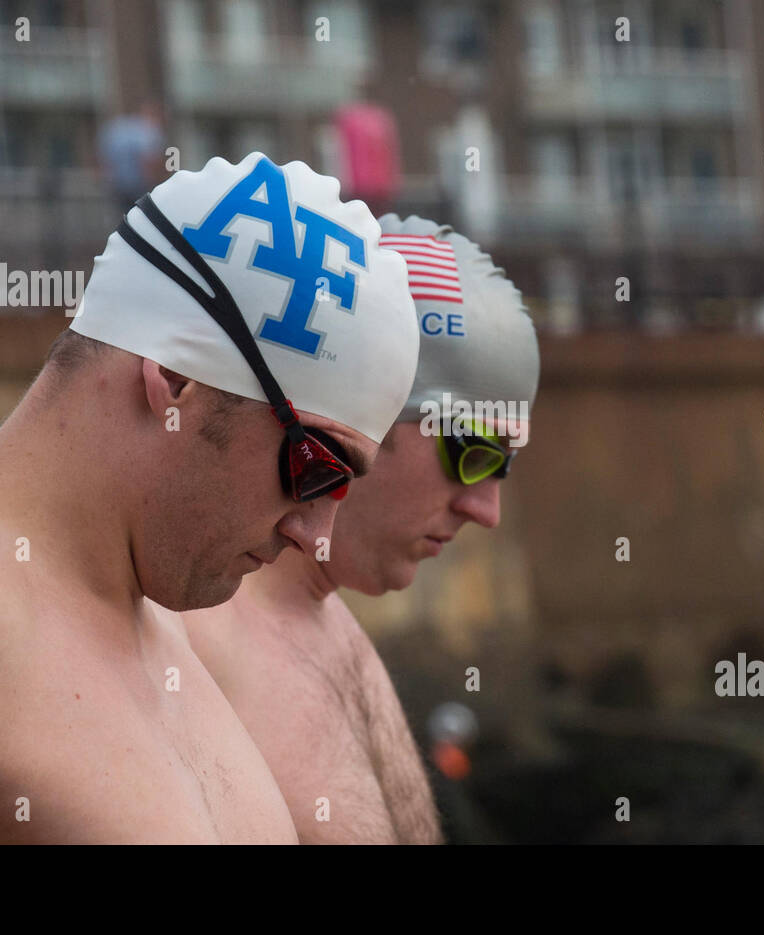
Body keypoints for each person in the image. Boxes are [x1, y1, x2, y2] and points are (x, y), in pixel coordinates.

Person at [0, 154, 419, 843]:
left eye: (344, 486)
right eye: (315, 466)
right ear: (175, 376)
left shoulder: (164, 624)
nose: (318, 535)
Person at [174, 214, 540, 843]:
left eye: (505, 466)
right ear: (361, 414)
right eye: (473, 453)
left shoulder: (336, 632)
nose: (486, 510)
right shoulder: (188, 653)